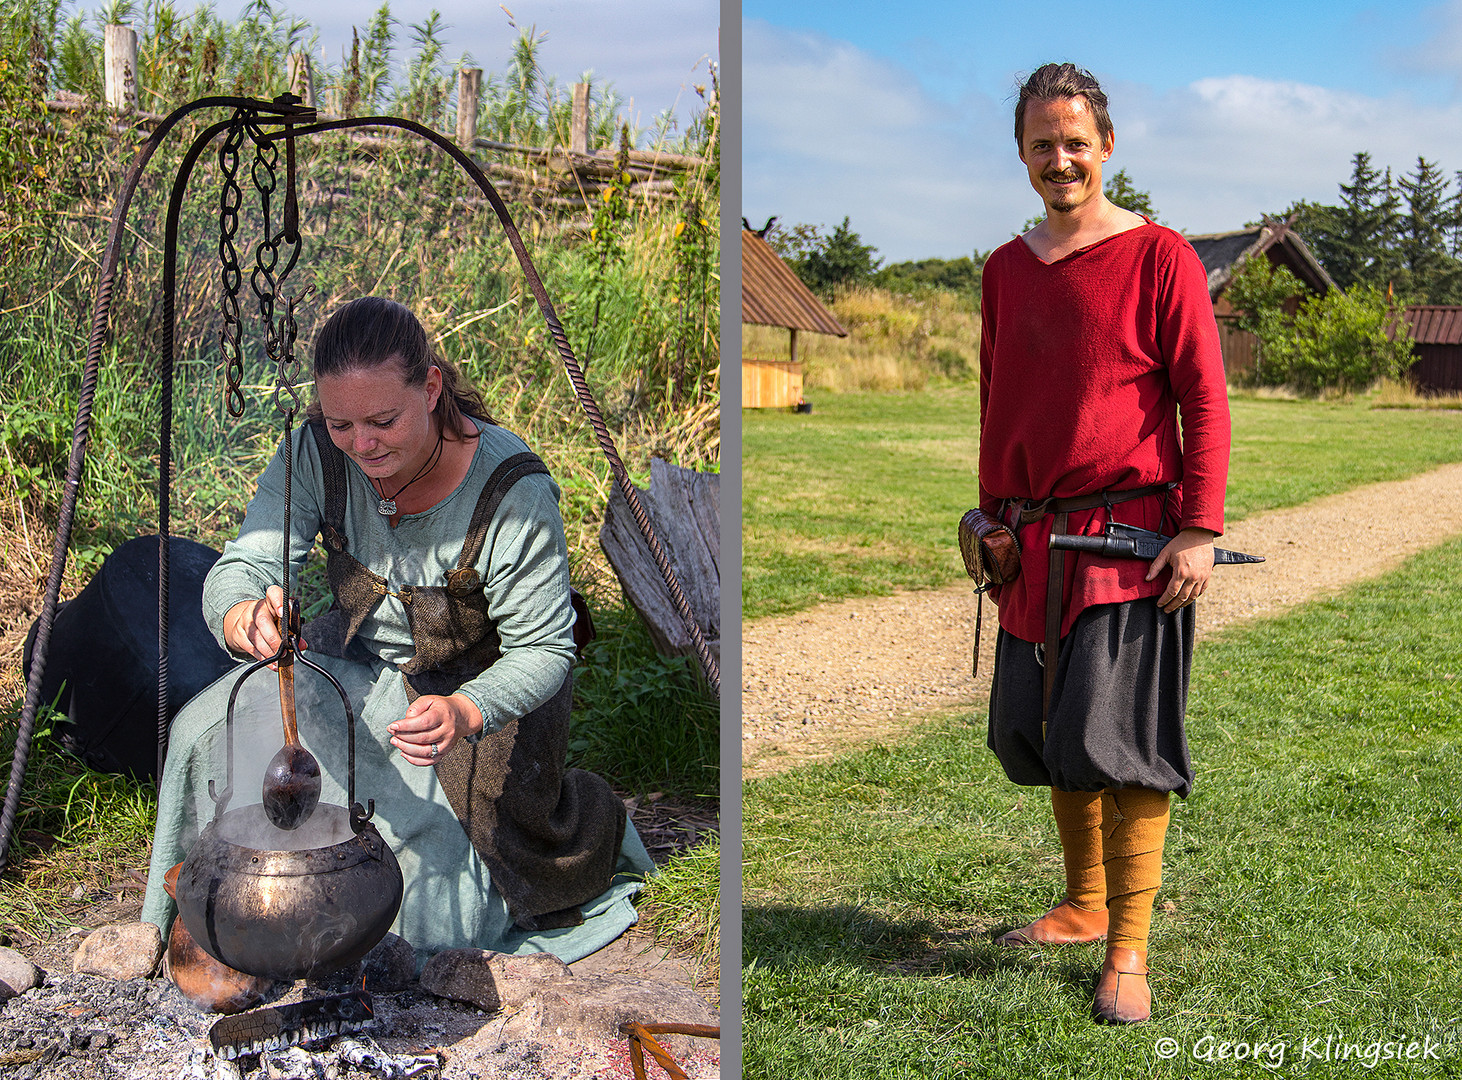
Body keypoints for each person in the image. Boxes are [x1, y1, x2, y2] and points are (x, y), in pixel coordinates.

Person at [141, 296, 653, 984]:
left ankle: (580, 832)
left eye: (382, 420)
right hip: (359, 669)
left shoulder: (511, 489)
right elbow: (244, 564)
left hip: (477, 710)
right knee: (204, 726)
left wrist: (467, 710)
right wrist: (239, 613)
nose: (362, 444)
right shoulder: (315, 452)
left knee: (434, 914)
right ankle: (200, 921)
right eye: (342, 423)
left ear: (432, 388)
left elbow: (546, 651)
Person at [977, 63, 1231, 1024]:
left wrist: (1198, 526)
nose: (1060, 159)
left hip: (1129, 536)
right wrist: (992, 516)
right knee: (1046, 732)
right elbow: (998, 397)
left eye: (1075, 141)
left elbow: (1203, 397)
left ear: (1107, 146)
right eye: (1043, 144)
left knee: (1119, 743)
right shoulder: (1005, 269)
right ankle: (1084, 906)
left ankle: (1130, 945)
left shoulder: (1160, 256)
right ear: (1023, 155)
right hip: (1032, 538)